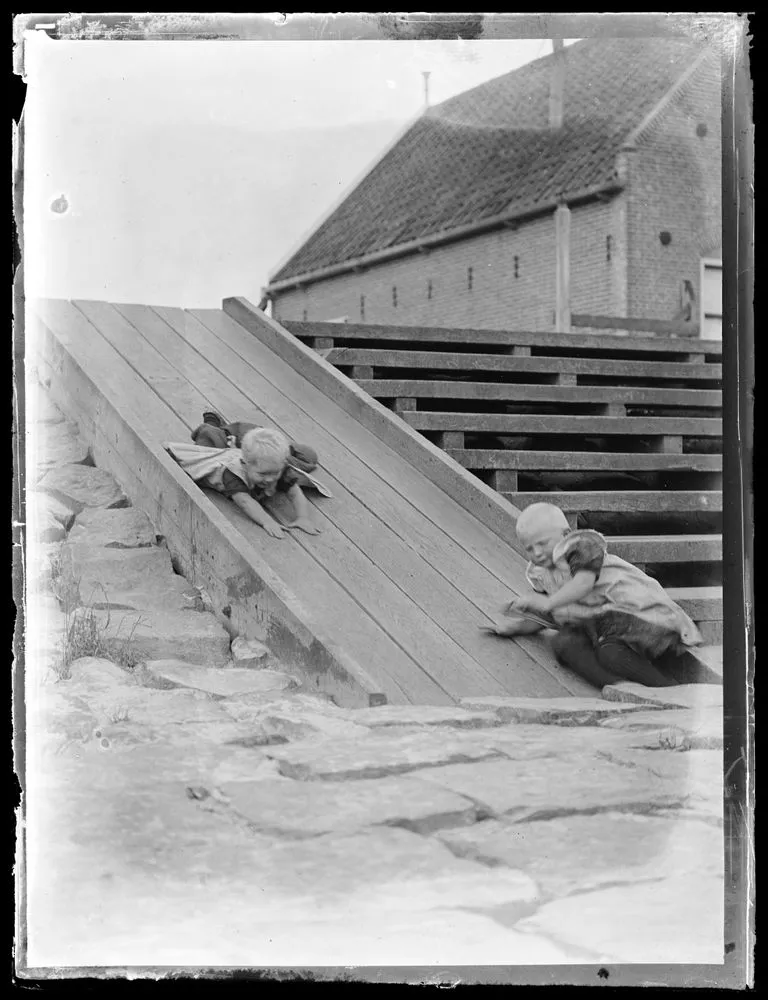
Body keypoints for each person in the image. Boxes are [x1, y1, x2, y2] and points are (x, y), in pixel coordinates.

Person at [487, 501, 720, 689]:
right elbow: (549, 614)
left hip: (642, 617)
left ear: (566, 534)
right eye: (529, 548)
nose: (536, 553)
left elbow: (583, 584)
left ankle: (663, 689)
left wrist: (548, 602)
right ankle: (620, 687)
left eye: (542, 543)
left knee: (610, 653)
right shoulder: (544, 573)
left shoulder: (581, 548)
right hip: (602, 627)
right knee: (564, 643)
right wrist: (517, 628)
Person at [165, 415, 322, 540]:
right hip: (219, 457)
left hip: (244, 451)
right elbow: (245, 501)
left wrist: (303, 517)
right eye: (263, 474)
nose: (269, 479)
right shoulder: (233, 473)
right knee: (207, 441)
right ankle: (212, 424)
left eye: (275, 473)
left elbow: (295, 492)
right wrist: (267, 521)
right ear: (245, 465)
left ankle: (233, 435)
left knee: (308, 457)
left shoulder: (277, 468)